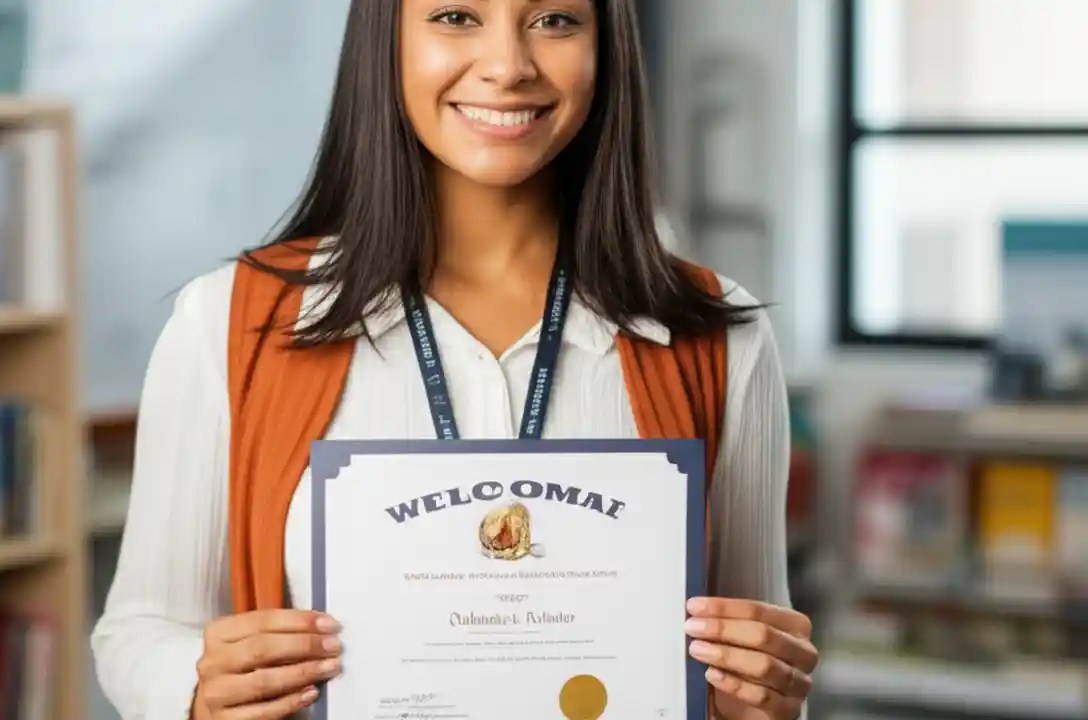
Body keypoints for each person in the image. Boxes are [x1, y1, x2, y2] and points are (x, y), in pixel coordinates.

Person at [90, 1, 819, 719]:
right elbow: (138, 631)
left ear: (608, 49)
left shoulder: (720, 334)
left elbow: (757, 661)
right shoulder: (229, 321)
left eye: (555, 20)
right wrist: (199, 686)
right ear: (388, 41)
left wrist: (765, 697)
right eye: (456, 17)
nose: (508, 66)